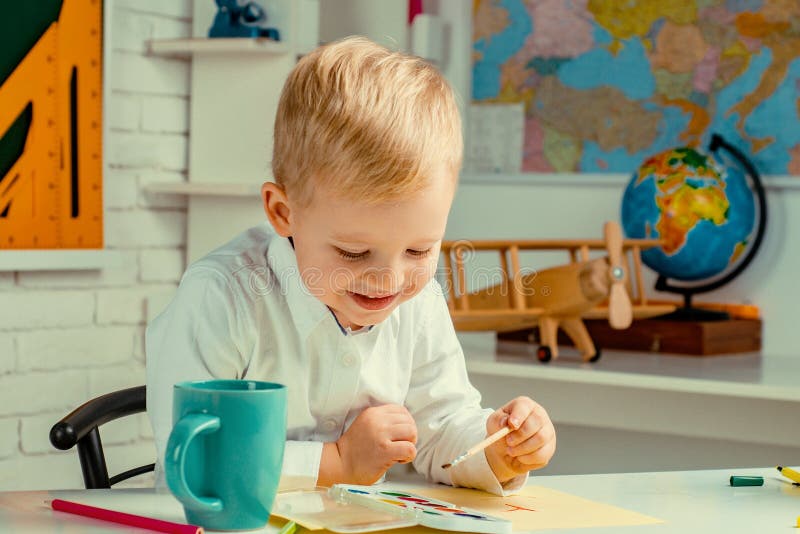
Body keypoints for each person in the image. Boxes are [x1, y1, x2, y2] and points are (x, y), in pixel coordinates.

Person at [146, 36, 555, 495]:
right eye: (354, 253)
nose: (390, 280)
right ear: (284, 213)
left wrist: (498, 449)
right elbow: (194, 460)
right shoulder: (221, 298)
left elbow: (441, 429)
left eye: (419, 251)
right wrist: (336, 461)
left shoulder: (417, 306)